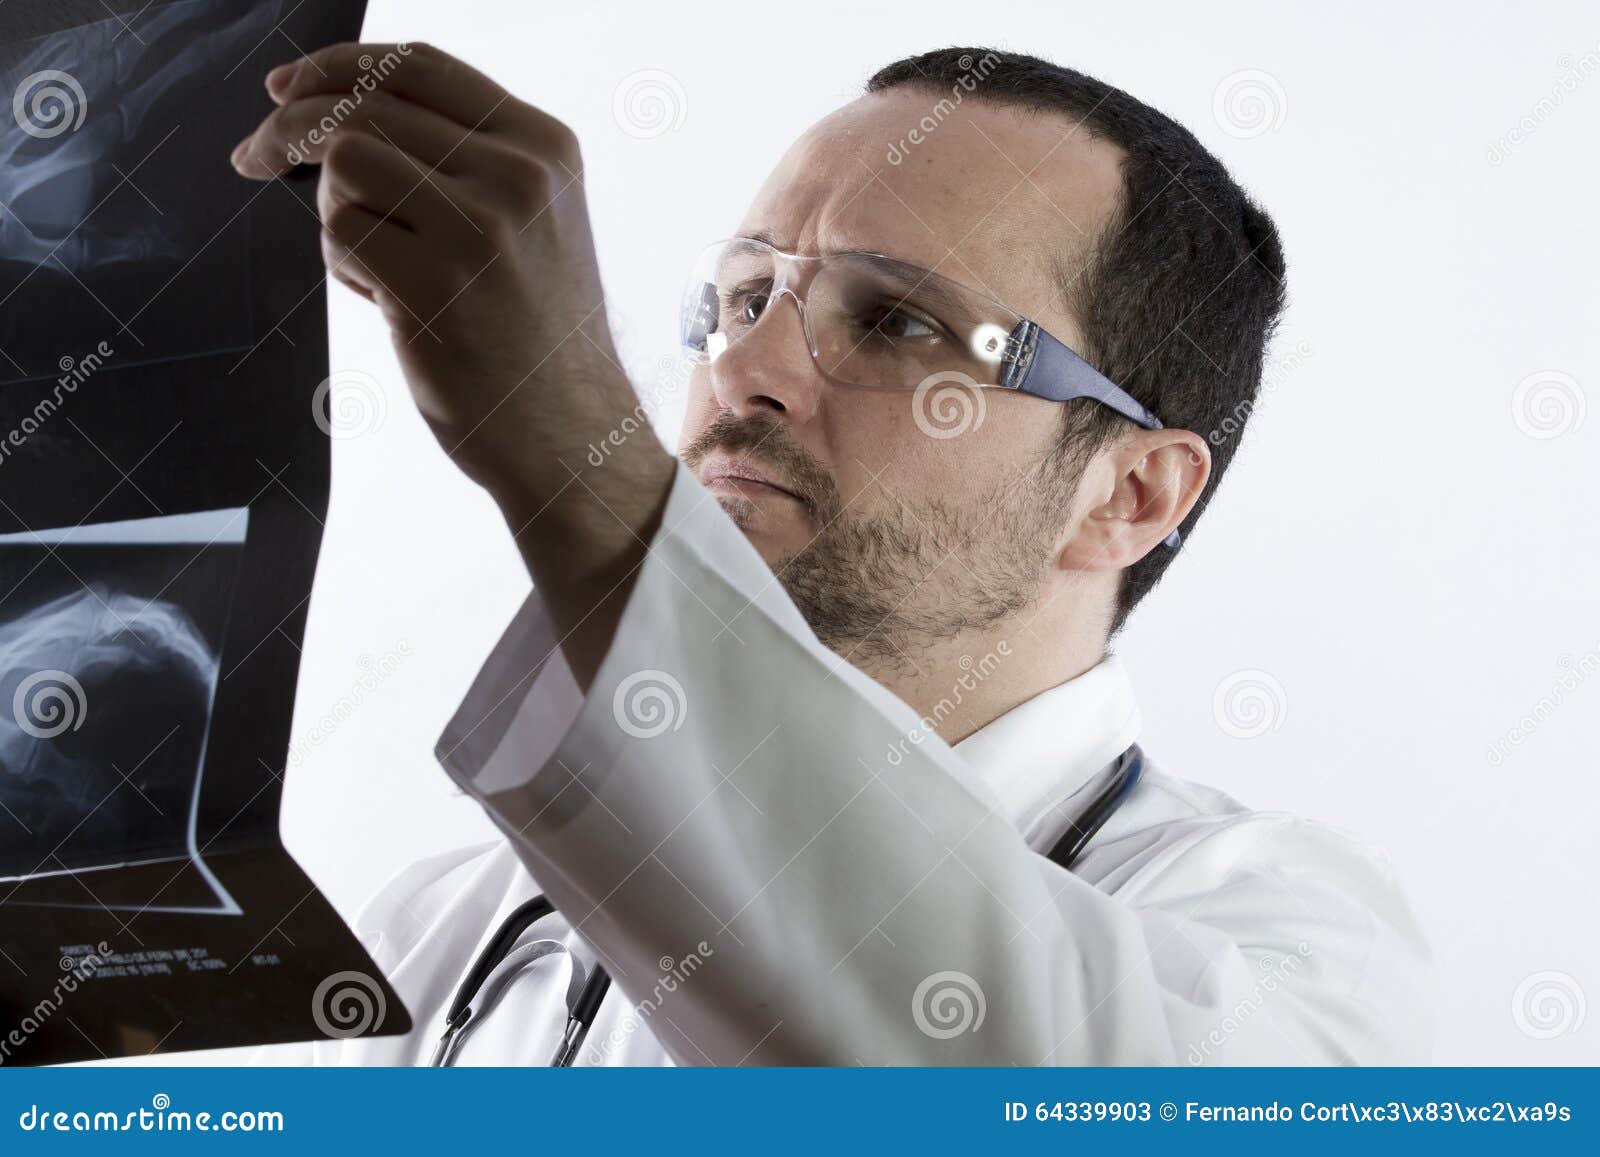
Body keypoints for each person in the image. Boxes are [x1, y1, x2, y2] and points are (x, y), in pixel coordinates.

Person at [233, 42, 1431, 1065]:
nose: (745, 374)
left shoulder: (1289, 952)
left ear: (1128, 491)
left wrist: (582, 460)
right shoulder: (436, 934)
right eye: (747, 295)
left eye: (898, 321)